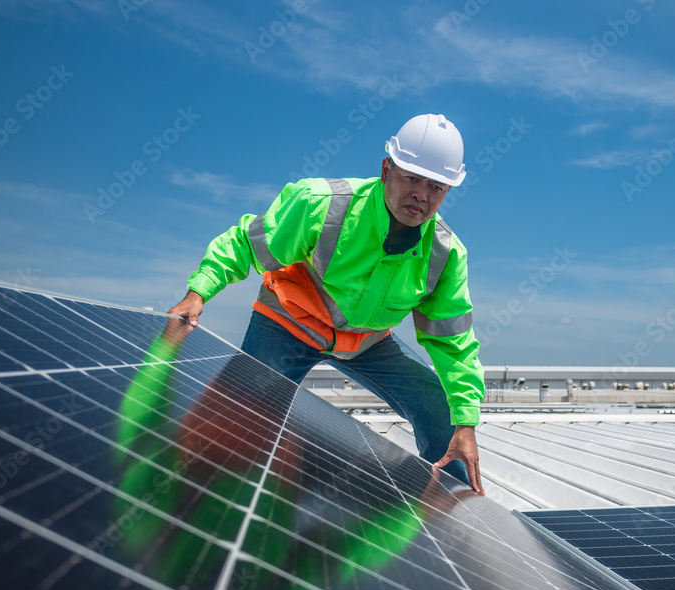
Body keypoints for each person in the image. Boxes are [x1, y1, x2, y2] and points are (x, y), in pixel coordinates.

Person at [168, 113, 485, 495]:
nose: (422, 194)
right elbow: (246, 242)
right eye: (411, 178)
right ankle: (201, 494)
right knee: (242, 414)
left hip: (366, 342)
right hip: (288, 324)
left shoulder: (445, 253)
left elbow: (454, 343)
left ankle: (455, 508)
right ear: (387, 169)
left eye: (436, 186)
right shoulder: (323, 204)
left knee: (439, 409)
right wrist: (199, 291)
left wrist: (466, 422)